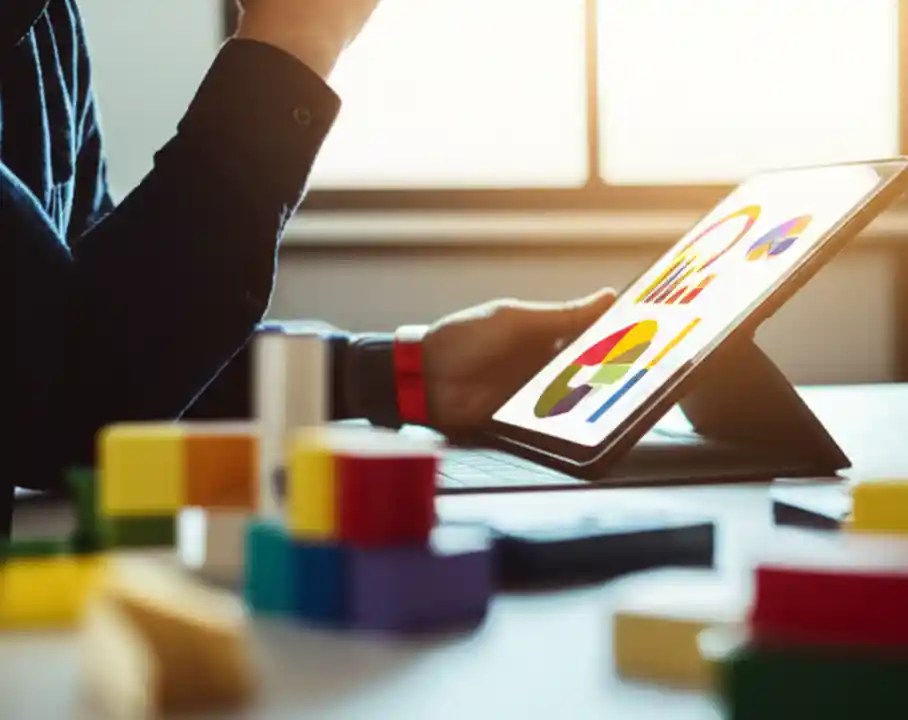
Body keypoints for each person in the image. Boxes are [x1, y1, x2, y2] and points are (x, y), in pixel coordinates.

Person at [2, 0, 615, 538]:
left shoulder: (47, 24)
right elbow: (76, 395)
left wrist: (402, 373)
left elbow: (107, 334)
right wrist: (296, 40)